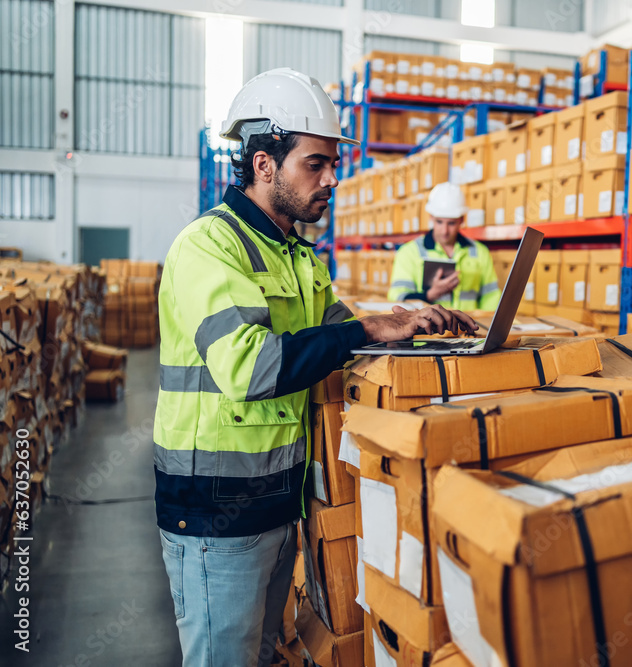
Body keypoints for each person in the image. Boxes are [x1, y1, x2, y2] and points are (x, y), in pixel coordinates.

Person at [152, 68, 476, 667]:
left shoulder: (299, 258)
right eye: (315, 164)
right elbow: (248, 369)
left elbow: (349, 343)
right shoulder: (207, 247)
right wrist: (366, 328)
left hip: (283, 505)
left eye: (333, 164)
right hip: (215, 515)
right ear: (264, 165)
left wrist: (421, 332)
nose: (333, 178)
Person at [387, 182, 501, 310]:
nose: (444, 231)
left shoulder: (480, 252)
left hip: (468, 328)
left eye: (451, 223)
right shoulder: (408, 253)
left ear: (461, 220)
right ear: (431, 218)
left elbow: (491, 298)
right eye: (439, 222)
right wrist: (430, 295)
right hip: (425, 330)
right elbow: (397, 299)